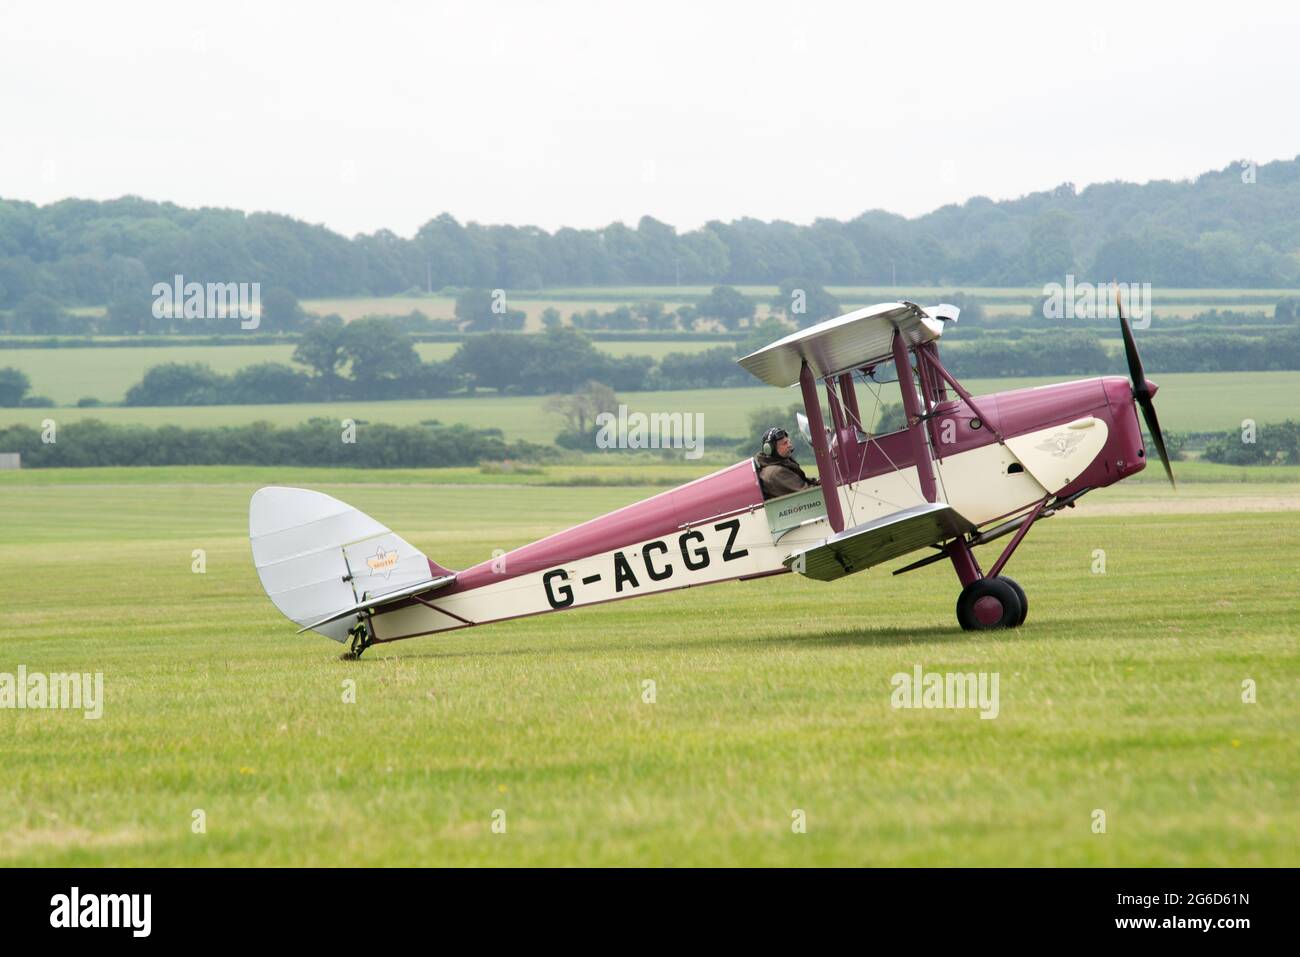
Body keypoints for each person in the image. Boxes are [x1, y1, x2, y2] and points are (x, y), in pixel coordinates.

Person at [754, 427, 820, 499]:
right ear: (769, 449)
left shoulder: (782, 463)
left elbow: (803, 482)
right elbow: (809, 493)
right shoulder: (776, 472)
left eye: (788, 441)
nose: (789, 445)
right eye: (785, 443)